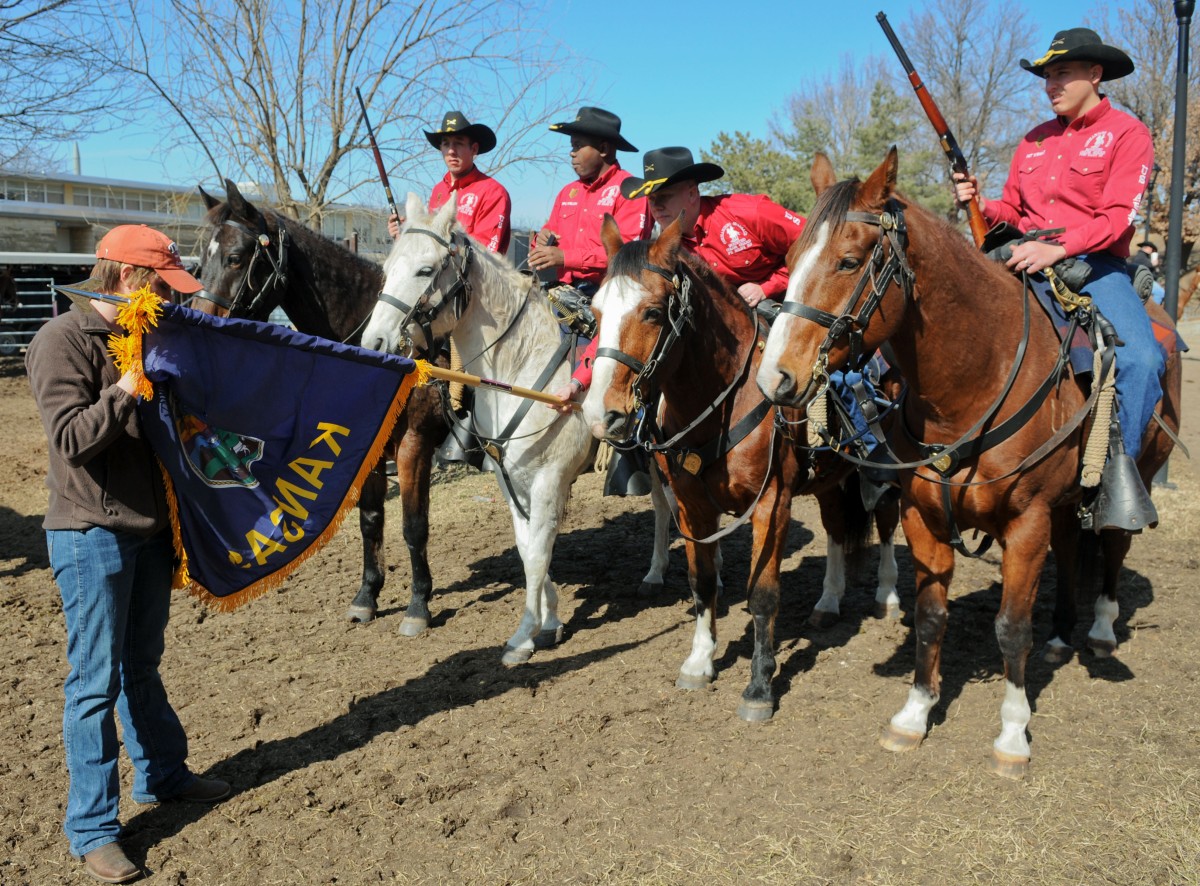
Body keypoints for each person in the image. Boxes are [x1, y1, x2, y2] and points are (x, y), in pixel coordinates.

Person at [26, 225, 231, 884]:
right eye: (160, 285)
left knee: (141, 665)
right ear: (124, 278)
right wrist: (126, 389)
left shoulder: (137, 337)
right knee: (94, 683)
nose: (167, 298)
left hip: (144, 529)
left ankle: (163, 774)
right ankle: (91, 828)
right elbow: (69, 439)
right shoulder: (60, 341)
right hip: (90, 534)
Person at [953, 27, 1165, 471]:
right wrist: (980, 201)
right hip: (1023, 255)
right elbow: (1011, 207)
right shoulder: (1032, 139)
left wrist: (1059, 248)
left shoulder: (1128, 133)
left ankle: (1117, 473)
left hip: (1097, 264)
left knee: (1143, 360)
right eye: (1047, 76)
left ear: (1095, 73)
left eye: (1062, 74)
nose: (1051, 85)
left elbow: (1118, 217)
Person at [550, 146, 806, 410]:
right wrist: (578, 382)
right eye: (651, 199)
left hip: (789, 308)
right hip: (724, 334)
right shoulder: (663, 256)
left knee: (829, 381)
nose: (656, 206)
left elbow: (816, 247)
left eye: (665, 196)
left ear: (693, 192)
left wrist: (768, 286)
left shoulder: (750, 211)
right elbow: (627, 323)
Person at [527, 106, 652, 292]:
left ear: (603, 149)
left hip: (611, 295)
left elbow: (626, 254)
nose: (572, 152)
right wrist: (541, 239)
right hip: (563, 291)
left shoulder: (631, 191)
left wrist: (565, 258)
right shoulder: (567, 192)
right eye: (572, 146)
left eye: (577, 146)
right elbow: (549, 232)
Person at [388, 110, 512, 254]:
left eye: (458, 143)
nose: (451, 151)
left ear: (474, 149)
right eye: (446, 144)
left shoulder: (493, 192)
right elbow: (429, 246)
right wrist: (406, 233)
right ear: (441, 149)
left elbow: (485, 254)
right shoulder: (438, 190)